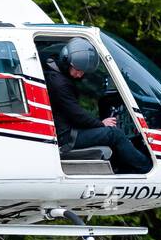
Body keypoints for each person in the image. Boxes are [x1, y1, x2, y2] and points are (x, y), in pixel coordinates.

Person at [44, 37, 152, 174]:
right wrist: (101, 124)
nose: (79, 75)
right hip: (67, 137)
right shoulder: (59, 84)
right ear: (66, 61)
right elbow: (76, 115)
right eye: (78, 70)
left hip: (65, 130)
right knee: (115, 134)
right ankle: (147, 169)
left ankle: (122, 168)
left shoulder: (54, 73)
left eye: (82, 72)